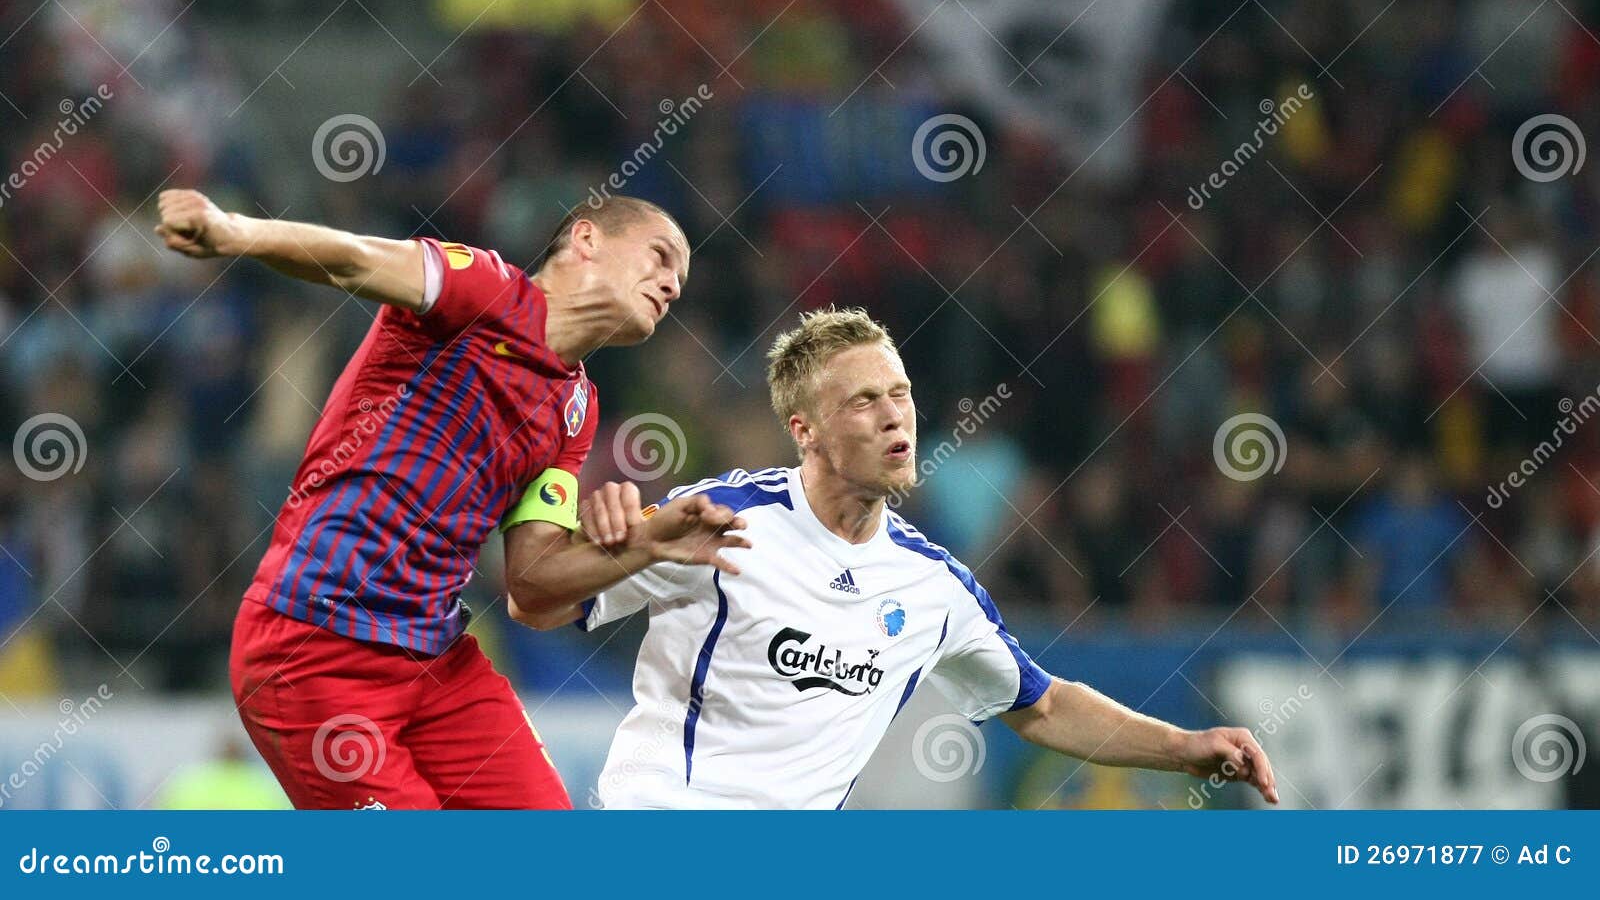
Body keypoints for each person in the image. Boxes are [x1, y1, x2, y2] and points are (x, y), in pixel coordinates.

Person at [508, 307, 1279, 809]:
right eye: (863, 402)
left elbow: (1040, 703)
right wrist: (628, 543)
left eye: (900, 394)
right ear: (804, 429)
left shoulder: (932, 583)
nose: (893, 418)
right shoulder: (719, 517)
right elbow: (535, 601)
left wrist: (1183, 746)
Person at [155, 188, 742, 809]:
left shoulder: (577, 410)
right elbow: (355, 259)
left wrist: (647, 544)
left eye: (679, 277)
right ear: (587, 239)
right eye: (659, 256)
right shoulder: (482, 289)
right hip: (315, 647)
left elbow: (533, 584)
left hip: (436, 661)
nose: (672, 284)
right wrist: (232, 232)